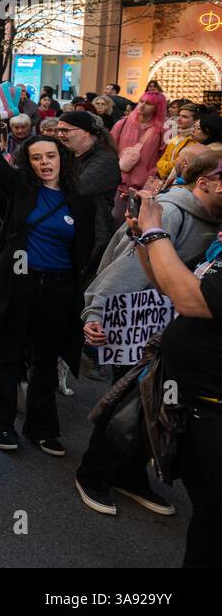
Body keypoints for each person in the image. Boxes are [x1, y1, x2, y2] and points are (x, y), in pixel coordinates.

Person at [74, 151, 222, 518]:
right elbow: (126, 268)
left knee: (154, 410)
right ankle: (93, 473)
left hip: (173, 331)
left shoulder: (215, 221)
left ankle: (129, 475)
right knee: (127, 403)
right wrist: (95, 312)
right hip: (133, 323)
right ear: (204, 182)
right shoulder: (170, 212)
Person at [0, 119, 96, 455]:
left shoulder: (80, 202)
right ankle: (0, 424)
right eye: (37, 157)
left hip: (59, 288)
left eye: (50, 156)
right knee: (8, 355)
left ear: (62, 159)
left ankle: (42, 428)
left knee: (44, 360)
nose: (44, 162)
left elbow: (85, 249)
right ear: (29, 162)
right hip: (20, 281)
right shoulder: (21, 189)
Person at [129, 185, 222, 566]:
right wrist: (141, 237)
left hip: (216, 409)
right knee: (207, 511)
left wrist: (156, 233)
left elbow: (190, 299)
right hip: (195, 403)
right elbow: (170, 283)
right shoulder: (217, 249)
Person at [54, 111, 122, 254]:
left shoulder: (105, 159)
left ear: (86, 132)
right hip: (70, 226)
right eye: (59, 130)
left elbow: (79, 188)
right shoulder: (69, 154)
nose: (60, 135)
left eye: (65, 130)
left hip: (93, 233)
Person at [110, 91, 166, 219]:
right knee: (116, 218)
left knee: (138, 221)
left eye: (148, 103)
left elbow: (165, 157)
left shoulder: (162, 130)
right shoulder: (122, 123)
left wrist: (151, 174)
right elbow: (110, 148)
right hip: (119, 183)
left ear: (157, 108)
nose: (142, 105)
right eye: (141, 101)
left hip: (145, 186)